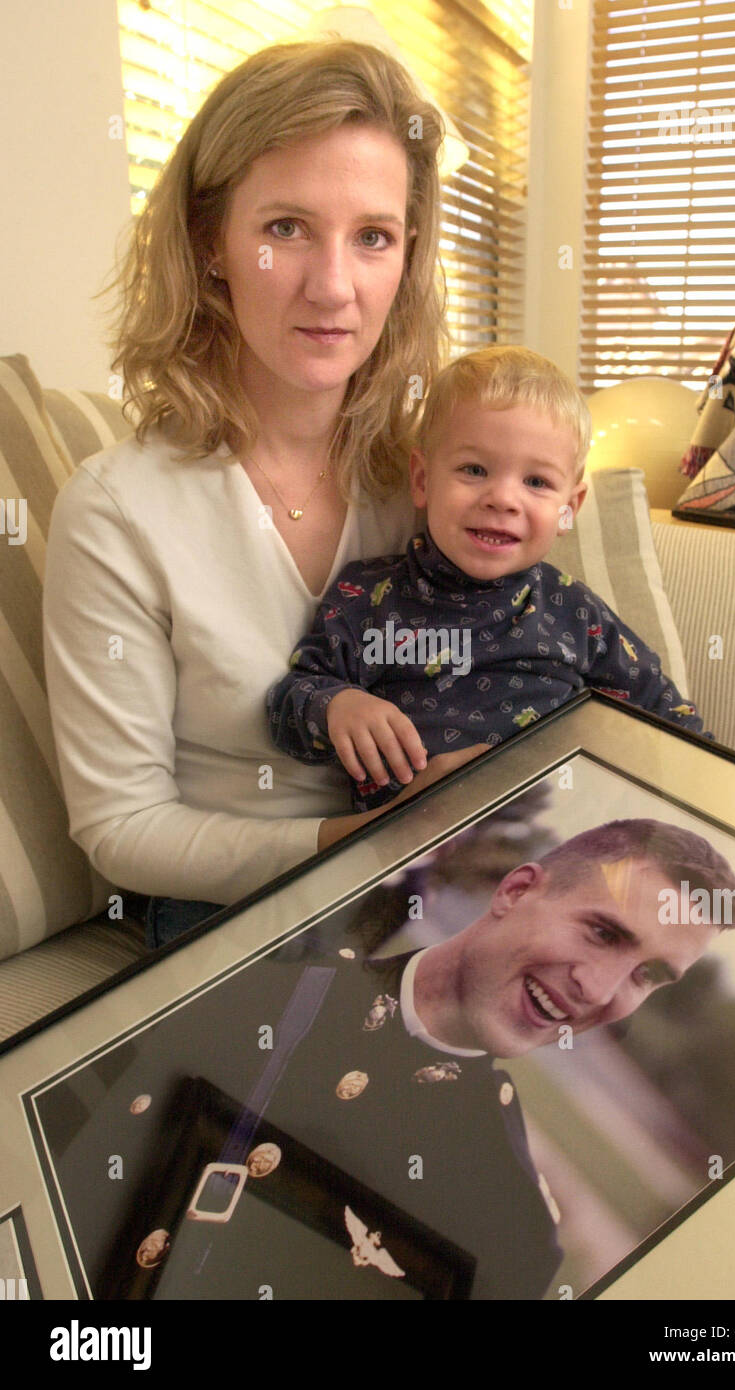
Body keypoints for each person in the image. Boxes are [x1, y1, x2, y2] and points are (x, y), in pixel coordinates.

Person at [41, 40, 480, 949]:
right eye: (285, 227)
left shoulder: (429, 484)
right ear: (212, 244)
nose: (334, 287)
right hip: (233, 919)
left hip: (434, 889)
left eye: (373, 237)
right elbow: (122, 831)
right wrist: (348, 847)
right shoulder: (118, 511)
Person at [36, 819, 735, 1301]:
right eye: (601, 931)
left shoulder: (515, 1231)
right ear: (517, 890)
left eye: (648, 977)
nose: (600, 989)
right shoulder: (243, 985)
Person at [267, 346, 708, 809]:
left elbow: (668, 715)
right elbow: (289, 707)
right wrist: (338, 705)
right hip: (415, 848)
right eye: (474, 470)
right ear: (421, 479)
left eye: (536, 482)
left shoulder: (571, 610)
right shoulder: (370, 598)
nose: (502, 498)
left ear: (568, 510)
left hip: (563, 835)